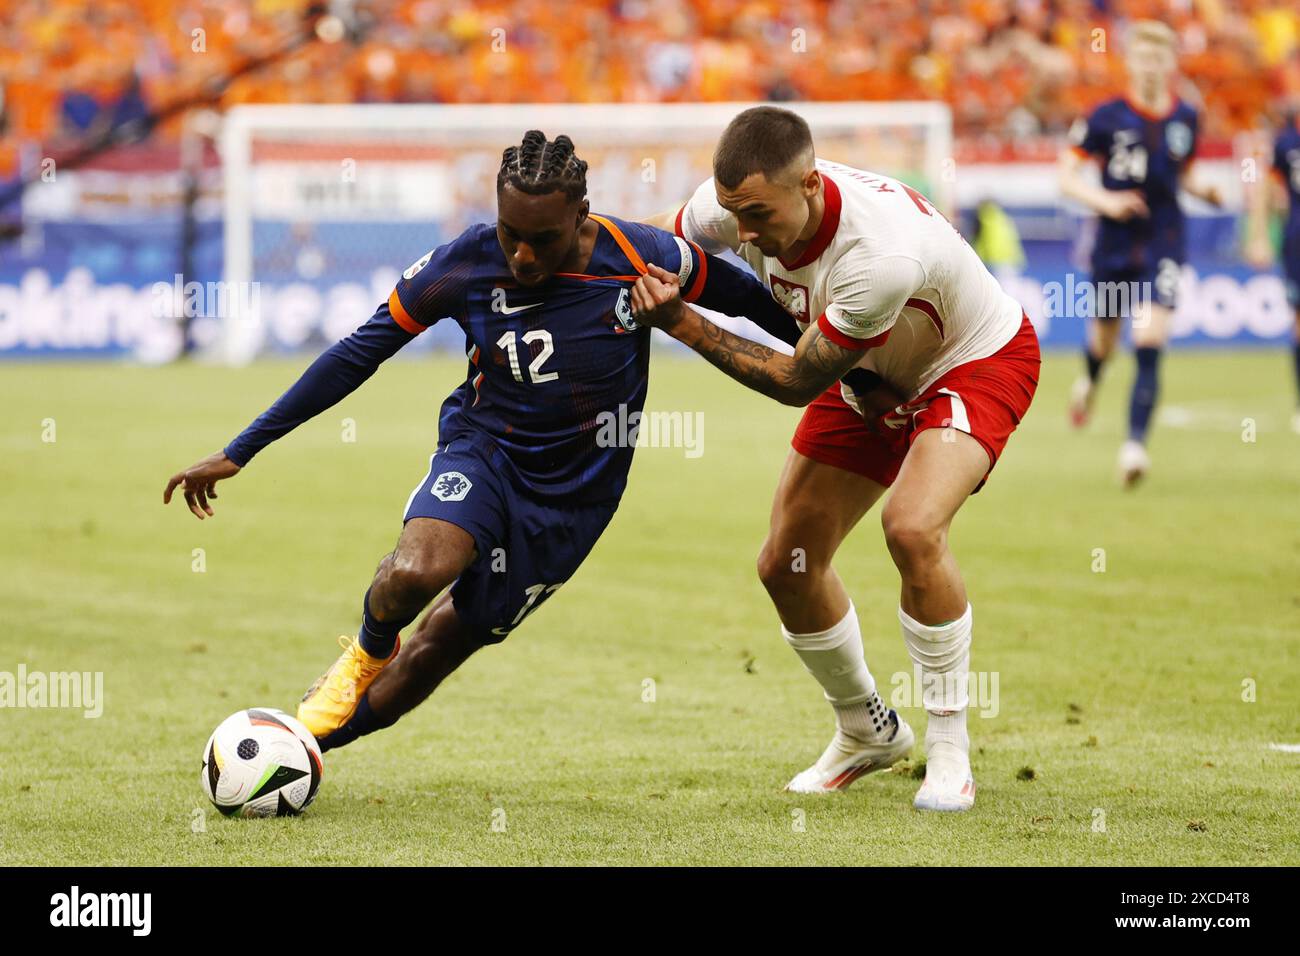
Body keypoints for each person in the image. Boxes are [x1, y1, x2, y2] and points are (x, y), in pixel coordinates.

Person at [164, 131, 805, 753]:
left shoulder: (641, 255)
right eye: (510, 234)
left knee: (437, 652)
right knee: (415, 572)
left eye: (543, 239)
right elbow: (357, 353)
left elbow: (748, 297)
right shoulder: (464, 264)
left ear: (581, 215)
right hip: (485, 451)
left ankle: (309, 747)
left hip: (576, 497)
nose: (522, 256)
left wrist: (835, 358)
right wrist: (242, 448)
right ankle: (362, 653)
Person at [639, 106, 1040, 811]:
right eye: (736, 216)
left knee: (912, 529)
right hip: (860, 367)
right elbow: (651, 250)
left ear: (813, 186)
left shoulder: (877, 255)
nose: (747, 233)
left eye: (760, 215)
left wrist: (683, 323)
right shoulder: (729, 206)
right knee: (785, 564)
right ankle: (866, 730)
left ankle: (949, 750)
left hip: (968, 363)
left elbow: (797, 381)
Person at [1059, 19, 1223, 484]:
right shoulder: (1103, 116)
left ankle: (1133, 448)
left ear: (1170, 63)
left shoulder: (1186, 117)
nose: (1151, 66)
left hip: (1165, 239)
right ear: (1130, 62)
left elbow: (1183, 175)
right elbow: (1066, 177)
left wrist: (1205, 191)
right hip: (1114, 242)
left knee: (1149, 341)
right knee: (1104, 342)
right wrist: (1106, 200)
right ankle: (1090, 379)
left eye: (1159, 57)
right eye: (1143, 57)